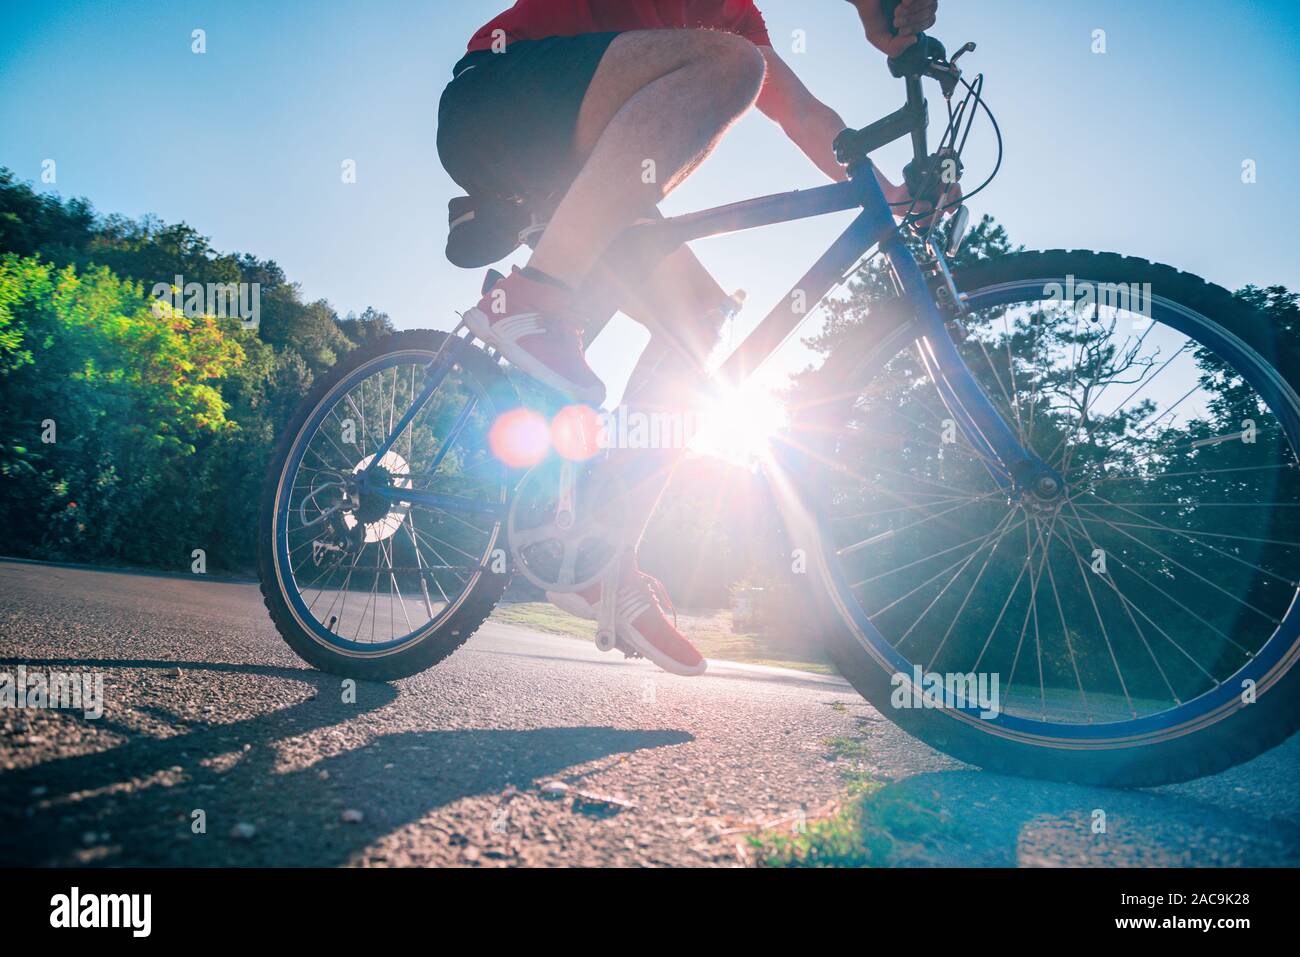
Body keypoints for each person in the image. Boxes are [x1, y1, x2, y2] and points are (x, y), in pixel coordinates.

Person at [437, 0, 941, 675]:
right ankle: (533, 294)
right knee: (732, 65)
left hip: (577, 168)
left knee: (702, 315)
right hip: (497, 96)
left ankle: (606, 556)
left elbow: (804, 115)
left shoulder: (736, 18)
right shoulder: (729, 40)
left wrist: (896, 198)